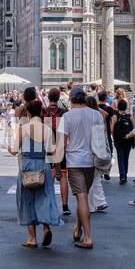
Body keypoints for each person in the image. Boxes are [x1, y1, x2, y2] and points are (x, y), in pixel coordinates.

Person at [56, 86, 105, 249]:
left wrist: (57, 166)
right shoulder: (96, 114)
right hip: (91, 161)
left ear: (70, 99)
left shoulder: (67, 117)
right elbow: (100, 139)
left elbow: (61, 144)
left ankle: (88, 237)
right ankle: (77, 229)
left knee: (81, 198)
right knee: (82, 197)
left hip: (75, 161)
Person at [10, 98, 61, 248]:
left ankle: (32, 238)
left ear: (28, 112)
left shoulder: (23, 128)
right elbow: (53, 152)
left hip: (26, 166)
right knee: (44, 198)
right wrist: (57, 171)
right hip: (43, 165)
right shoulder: (46, 129)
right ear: (40, 112)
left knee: (26, 201)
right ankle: (46, 228)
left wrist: (7, 147)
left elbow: (14, 150)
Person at [43, 88, 70, 217]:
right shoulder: (63, 112)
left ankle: (49, 204)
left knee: (49, 176)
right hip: (60, 145)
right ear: (59, 98)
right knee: (63, 176)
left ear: (48, 97)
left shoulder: (43, 112)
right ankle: (65, 205)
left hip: (47, 146)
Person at [85, 94, 109, 213]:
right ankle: (100, 202)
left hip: (89, 150)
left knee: (89, 179)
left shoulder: (86, 116)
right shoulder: (99, 115)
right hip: (99, 149)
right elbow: (106, 114)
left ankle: (91, 205)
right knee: (97, 177)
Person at [112, 99, 135, 186]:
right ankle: (125, 175)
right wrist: (134, 141)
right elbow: (134, 129)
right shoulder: (130, 116)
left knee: (120, 158)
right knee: (126, 158)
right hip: (128, 140)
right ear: (126, 107)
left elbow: (112, 129)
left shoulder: (115, 116)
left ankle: (122, 176)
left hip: (118, 140)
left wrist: (114, 138)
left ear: (118, 106)